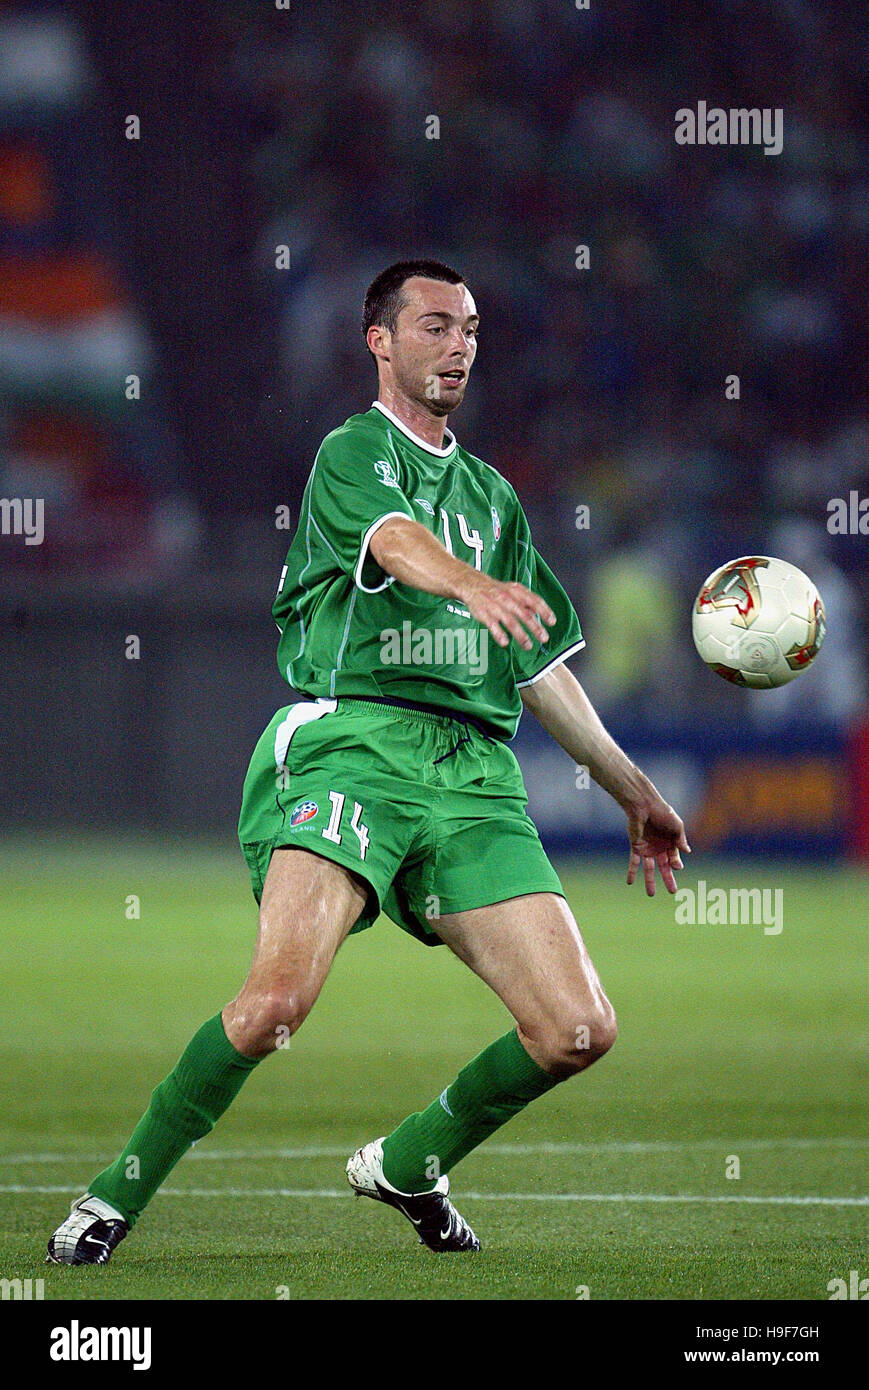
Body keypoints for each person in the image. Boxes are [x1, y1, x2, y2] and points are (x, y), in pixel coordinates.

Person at [47, 259, 689, 1263]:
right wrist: (471, 585)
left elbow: (543, 666)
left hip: (472, 773)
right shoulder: (354, 452)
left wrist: (633, 790)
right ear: (379, 341)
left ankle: (409, 1160)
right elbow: (392, 542)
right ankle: (112, 1197)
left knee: (576, 1029)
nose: (458, 345)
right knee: (271, 1011)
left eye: (470, 328)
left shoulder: (491, 497)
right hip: (354, 745)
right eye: (433, 325)